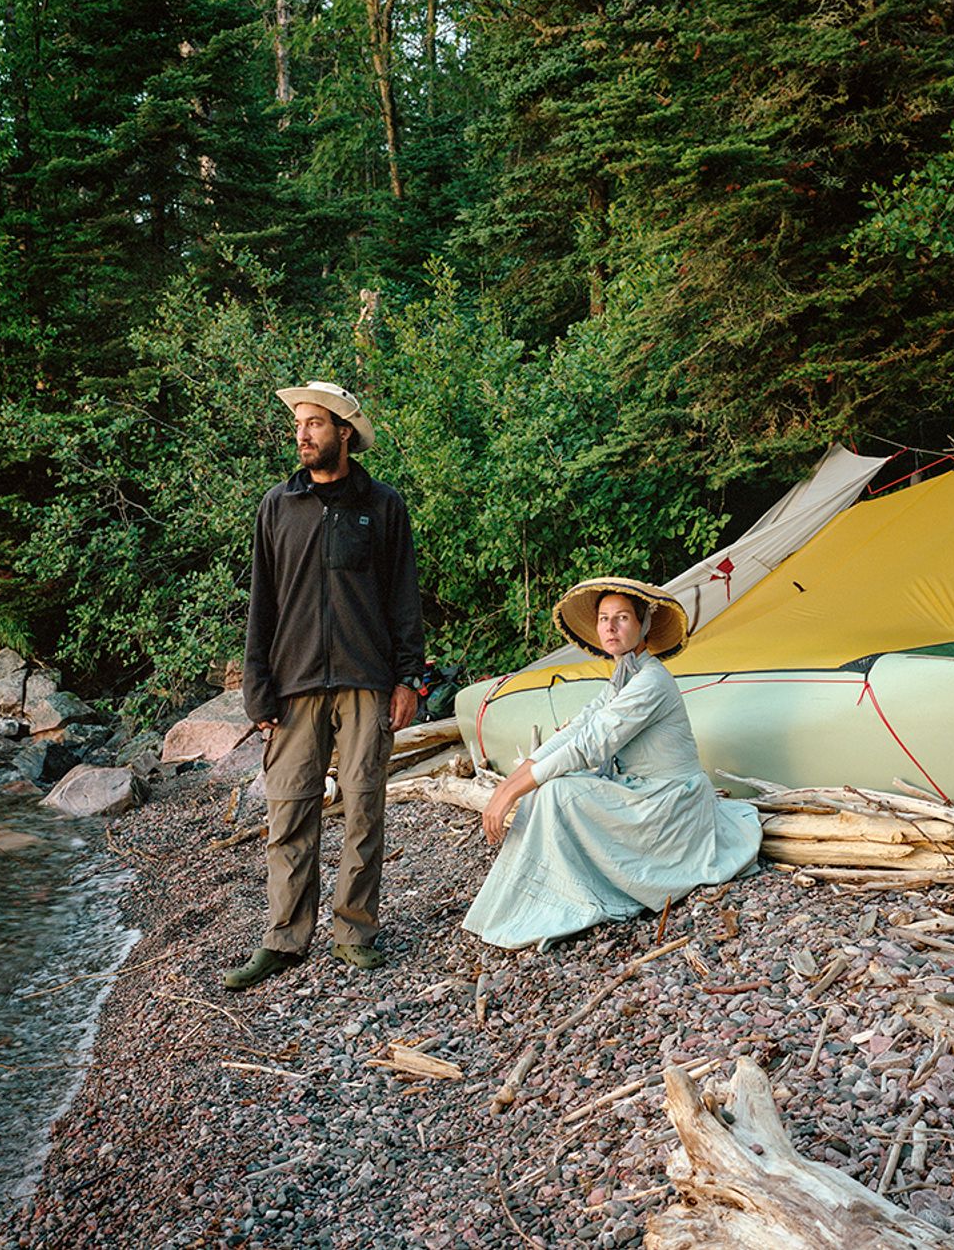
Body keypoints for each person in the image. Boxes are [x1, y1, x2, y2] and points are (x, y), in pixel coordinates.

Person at [225, 381, 426, 990]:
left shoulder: (383, 505)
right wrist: (257, 687)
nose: (303, 434)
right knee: (288, 811)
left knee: (364, 805)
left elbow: (402, 598)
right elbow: (261, 602)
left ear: (344, 433)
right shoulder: (276, 506)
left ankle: (353, 931)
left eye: (315, 424)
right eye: (299, 424)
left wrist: (409, 678)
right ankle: (285, 939)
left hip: (367, 678)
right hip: (293, 682)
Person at [464, 577, 762, 950]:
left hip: (670, 805)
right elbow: (576, 729)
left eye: (622, 618)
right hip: (643, 795)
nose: (610, 627)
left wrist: (515, 791)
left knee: (557, 791)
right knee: (548, 788)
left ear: (643, 626)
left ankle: (570, 896)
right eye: (604, 618)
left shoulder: (650, 681)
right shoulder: (622, 679)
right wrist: (508, 787)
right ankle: (536, 898)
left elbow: (591, 745)